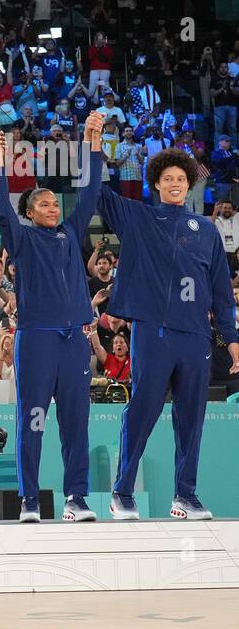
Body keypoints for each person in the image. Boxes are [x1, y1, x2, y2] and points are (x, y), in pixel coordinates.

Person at [97, 148, 239, 520]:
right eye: (167, 178)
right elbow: (98, 193)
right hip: (153, 331)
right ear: (156, 184)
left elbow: (223, 294)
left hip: (195, 335)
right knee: (143, 411)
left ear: (189, 184)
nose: (175, 184)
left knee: (191, 417)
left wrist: (232, 340)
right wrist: (93, 146)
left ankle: (185, 496)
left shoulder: (206, 230)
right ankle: (122, 492)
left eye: (181, 179)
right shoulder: (140, 217)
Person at [0, 114, 107, 524]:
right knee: (33, 422)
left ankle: (77, 498)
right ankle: (29, 501)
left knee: (76, 424)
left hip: (74, 338)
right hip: (36, 340)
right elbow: (1, 208)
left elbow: (90, 193)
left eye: (56, 203)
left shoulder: (71, 234)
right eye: (44, 203)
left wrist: (92, 143)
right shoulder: (21, 238)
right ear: (30, 211)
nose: (53, 207)